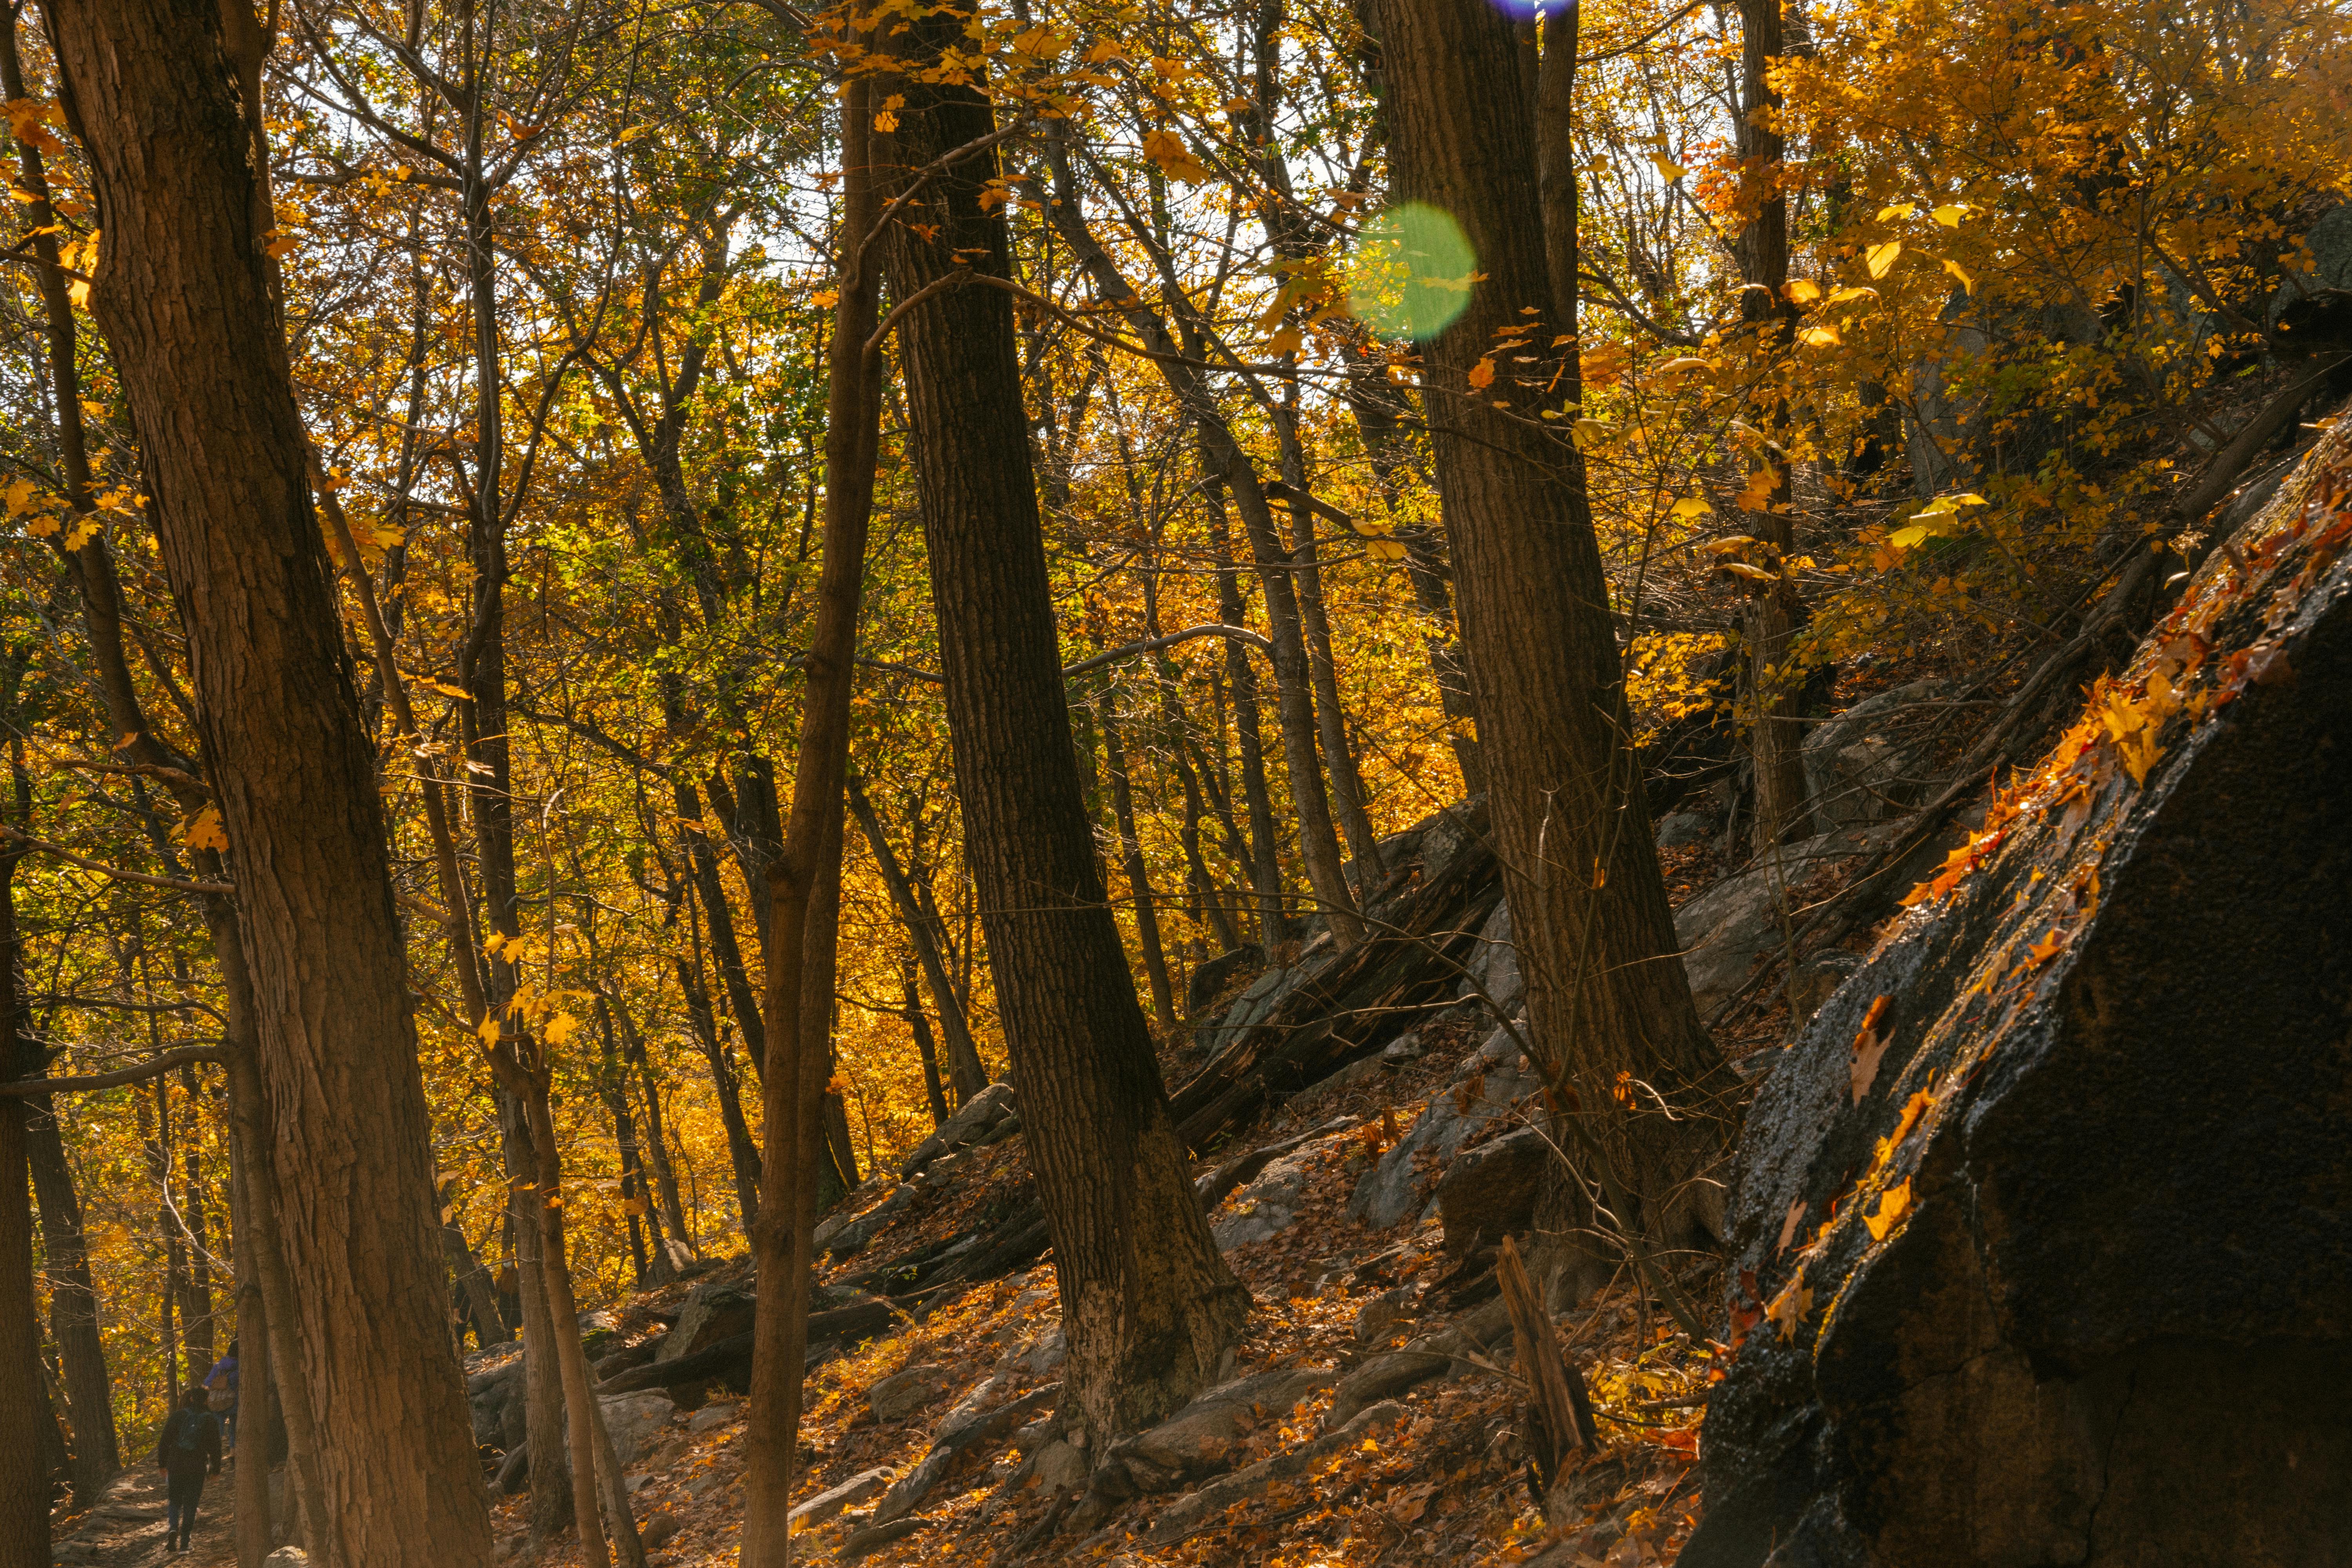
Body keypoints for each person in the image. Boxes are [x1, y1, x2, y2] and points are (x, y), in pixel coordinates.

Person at [154, 1384, 222, 1553]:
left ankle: (172, 1530)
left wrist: (162, 1465)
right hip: (197, 1466)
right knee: (192, 1502)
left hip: (176, 1463)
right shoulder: (211, 1419)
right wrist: (216, 1470)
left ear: (191, 1398)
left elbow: (164, 1442)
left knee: (175, 1500)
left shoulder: (178, 1416)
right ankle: (185, 1543)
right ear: (207, 1400)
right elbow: (216, 1448)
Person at [203, 1340, 240, 1452]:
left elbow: (207, 1383)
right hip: (234, 1401)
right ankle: (233, 1452)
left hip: (218, 1402)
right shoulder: (241, 1367)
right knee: (234, 1428)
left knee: (218, 1428)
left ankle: (216, 1452)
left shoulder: (219, 1366)